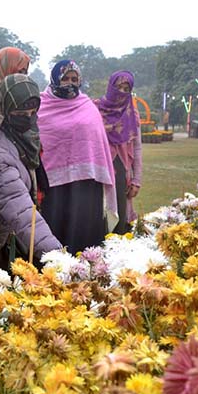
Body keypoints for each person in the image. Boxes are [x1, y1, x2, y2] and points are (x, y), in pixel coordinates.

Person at [0, 74, 61, 261]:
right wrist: (55, 256)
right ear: (4, 110)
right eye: (20, 115)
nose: (28, 119)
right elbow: (18, 205)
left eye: (33, 113)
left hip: (5, 233)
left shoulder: (19, 137)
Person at [38, 60, 118, 254]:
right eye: (65, 78)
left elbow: (98, 142)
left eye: (75, 79)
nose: (70, 83)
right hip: (53, 185)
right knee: (55, 235)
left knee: (85, 237)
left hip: (86, 184)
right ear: (55, 78)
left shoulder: (87, 106)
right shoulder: (41, 105)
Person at [98, 71, 143, 235]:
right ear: (110, 87)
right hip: (100, 171)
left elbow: (137, 148)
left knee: (119, 222)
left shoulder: (132, 115)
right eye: (119, 87)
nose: (122, 93)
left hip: (122, 173)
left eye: (126, 89)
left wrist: (137, 180)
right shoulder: (95, 110)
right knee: (100, 216)